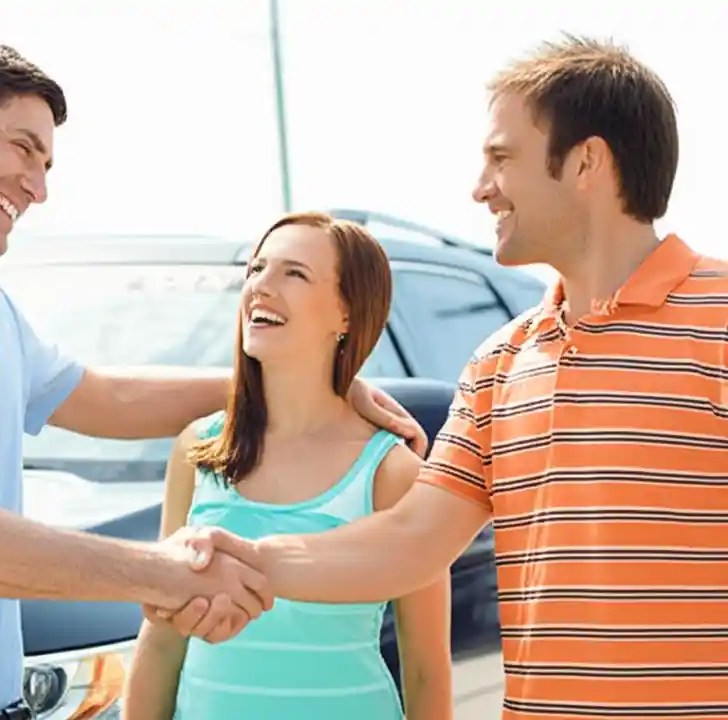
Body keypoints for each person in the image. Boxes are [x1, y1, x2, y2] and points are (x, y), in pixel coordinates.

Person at [0, 34, 425, 720]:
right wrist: (157, 572)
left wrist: (306, 385)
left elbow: (108, 397)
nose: (38, 187)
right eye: (23, 148)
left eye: (45, 164)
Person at [154, 35, 728, 719]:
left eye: (502, 159)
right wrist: (240, 558)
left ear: (586, 163)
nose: (480, 188)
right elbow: (409, 541)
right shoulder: (499, 364)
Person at [122, 212, 453, 720]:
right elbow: (162, 640)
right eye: (257, 269)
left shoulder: (391, 473)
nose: (261, 286)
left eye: (294, 273)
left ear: (347, 313)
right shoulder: (199, 449)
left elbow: (427, 669)